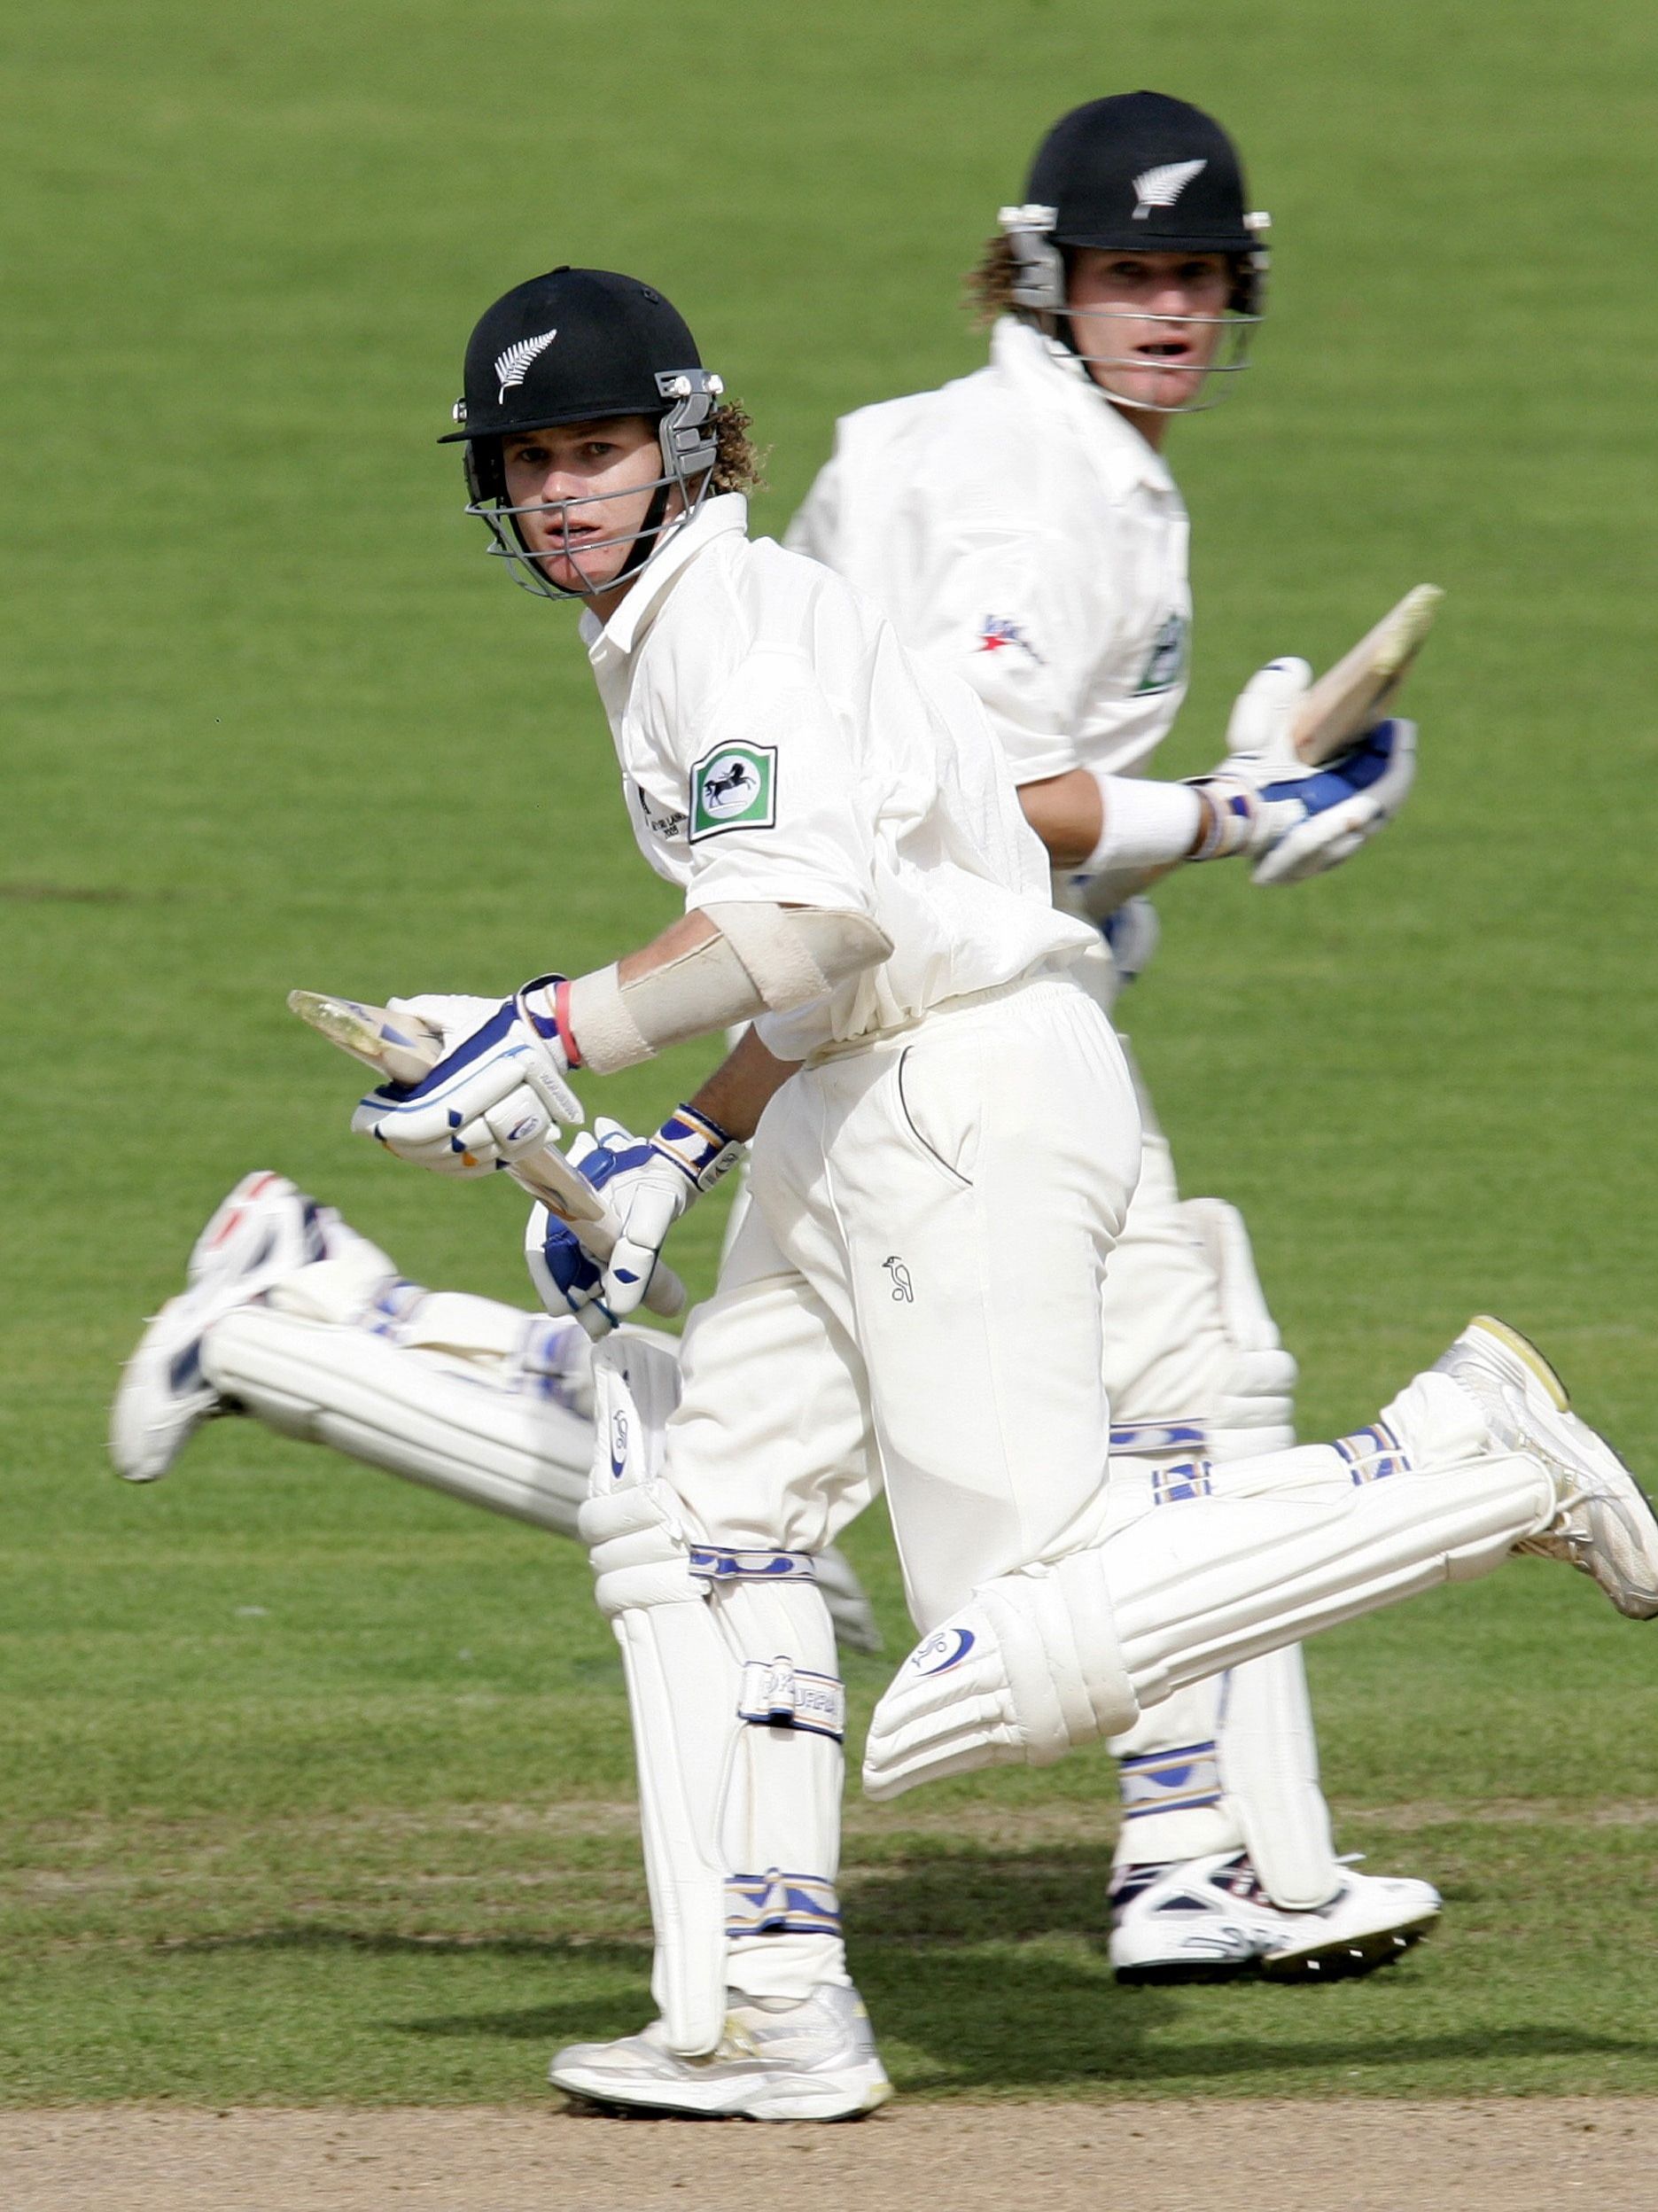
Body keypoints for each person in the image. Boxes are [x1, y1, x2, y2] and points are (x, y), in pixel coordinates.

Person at [120, 259, 1658, 2124]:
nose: (556, 495)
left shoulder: (730, 623)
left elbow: (806, 921)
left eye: (593, 451)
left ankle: (1465, 1462)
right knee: (724, 1514)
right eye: (524, 465)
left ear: (682, 448)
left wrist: (543, 1030)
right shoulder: (688, 628)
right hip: (864, 1095)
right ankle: (780, 2012)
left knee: (1016, 1643)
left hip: (965, 1104)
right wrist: (682, 1151)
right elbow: (836, 949)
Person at [781, 89, 1432, 1980]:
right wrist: (1228, 819)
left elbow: (917, 790)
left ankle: (1192, 1859)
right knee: (1155, 1390)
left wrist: (1141, 856)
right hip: (954, 1036)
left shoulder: (980, 442)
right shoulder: (1038, 485)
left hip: (870, 997)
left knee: (786, 1443)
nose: (1169, 311)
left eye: (1200, 277)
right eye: (1132, 273)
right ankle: (1192, 1864)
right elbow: (975, 779)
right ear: (1049, 277)